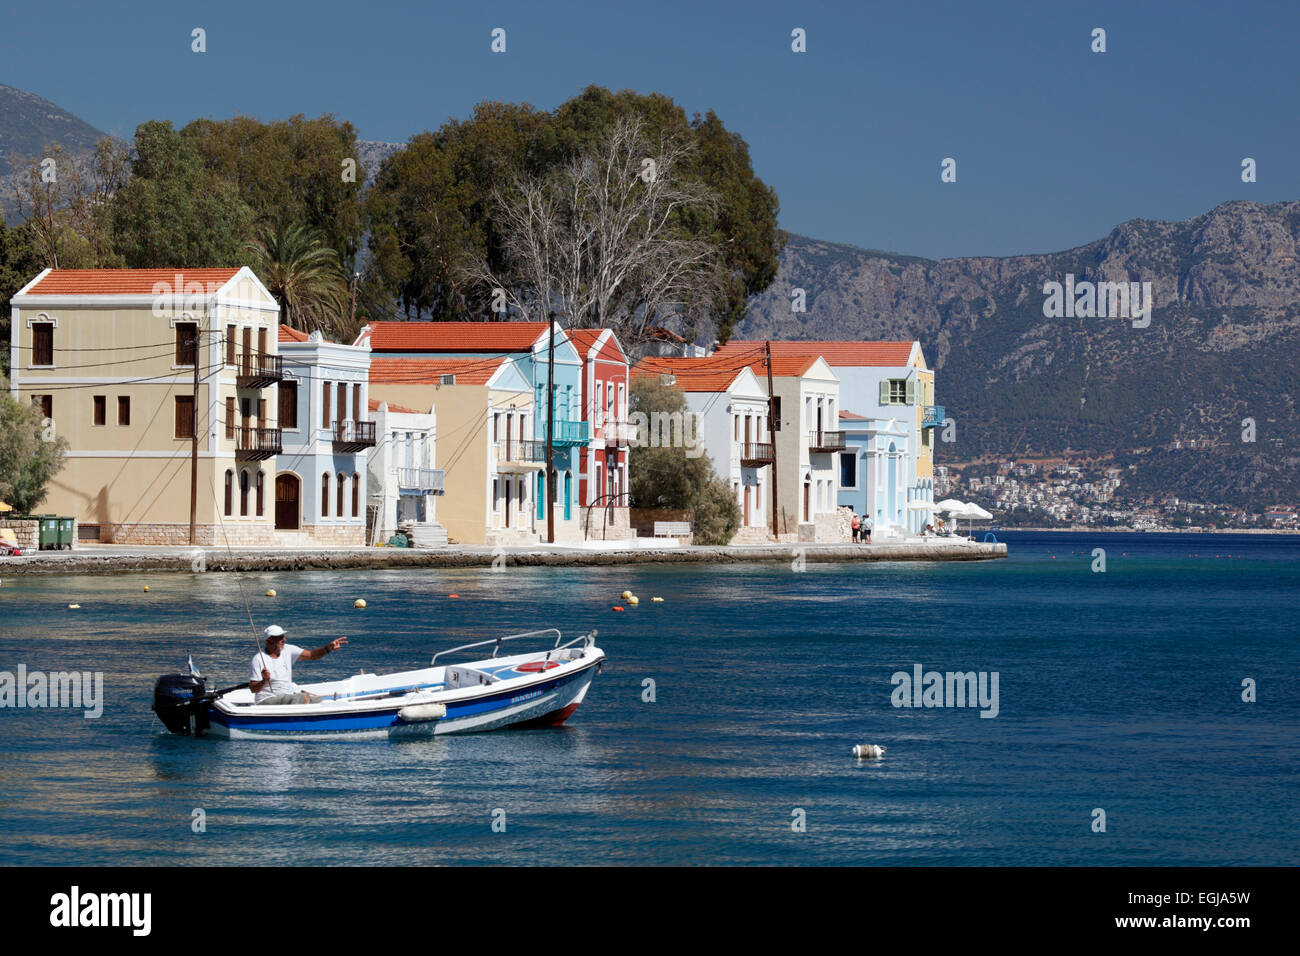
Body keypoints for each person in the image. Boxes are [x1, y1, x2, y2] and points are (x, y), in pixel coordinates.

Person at [249, 625, 348, 705]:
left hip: (288, 697)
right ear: (268, 641)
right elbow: (253, 689)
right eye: (279, 638)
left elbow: (312, 655)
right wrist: (264, 680)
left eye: (283, 636)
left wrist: (328, 648)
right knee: (301, 697)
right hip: (267, 700)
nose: (284, 639)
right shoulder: (258, 659)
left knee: (317, 701)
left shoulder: (288, 649)